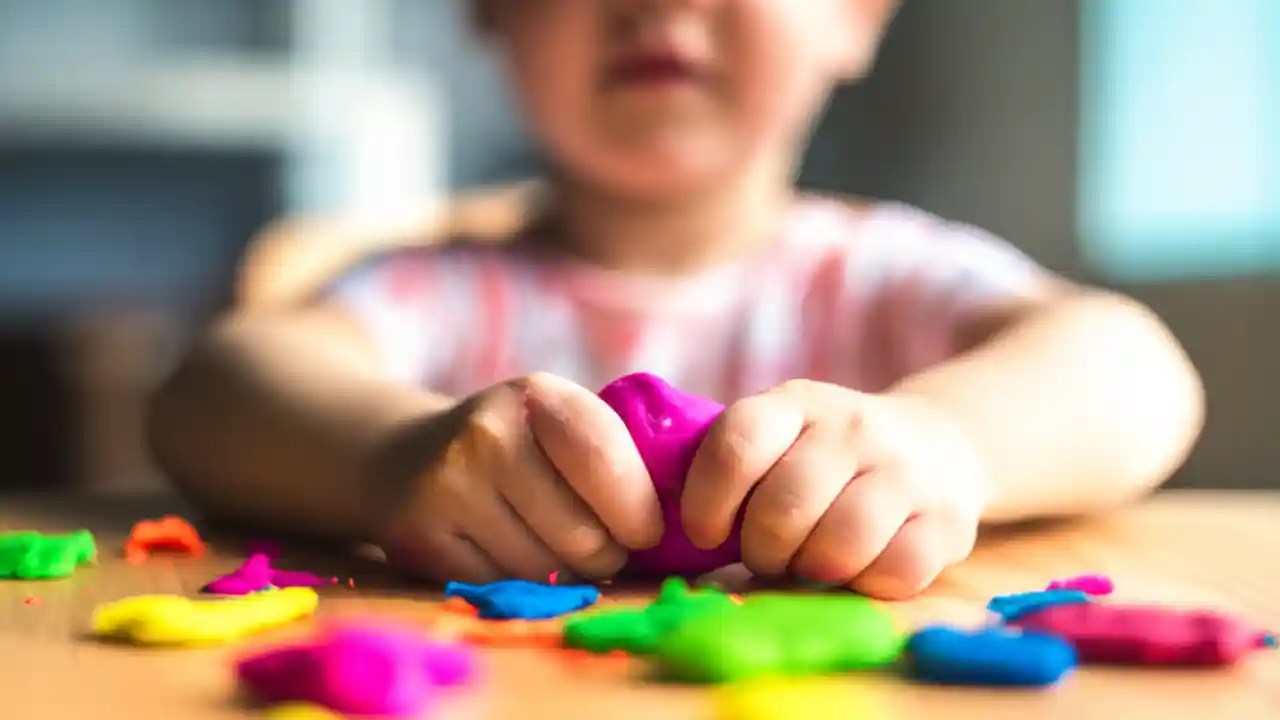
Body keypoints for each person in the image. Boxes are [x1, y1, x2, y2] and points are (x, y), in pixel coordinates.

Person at [149, 0, 1203, 599]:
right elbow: (212, 393)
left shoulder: (886, 275)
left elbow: (1130, 367)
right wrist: (388, 456)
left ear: (857, 16)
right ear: (491, 14)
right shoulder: (443, 294)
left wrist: (949, 443)